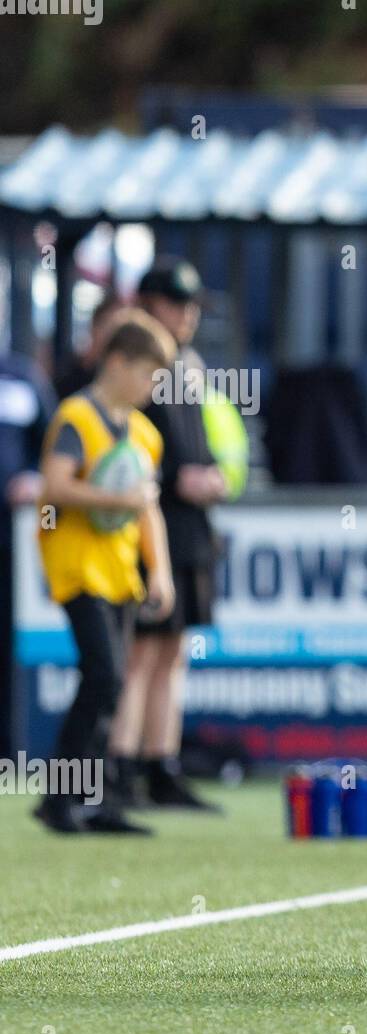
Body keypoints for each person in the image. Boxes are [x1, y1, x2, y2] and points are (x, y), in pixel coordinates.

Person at [32, 312, 175, 834]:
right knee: (105, 674)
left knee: (114, 684)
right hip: (77, 566)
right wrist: (118, 497)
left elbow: (148, 508)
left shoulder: (142, 434)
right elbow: (54, 487)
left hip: (119, 572)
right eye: (148, 374)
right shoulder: (77, 417)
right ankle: (61, 797)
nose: (153, 387)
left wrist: (160, 572)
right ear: (116, 363)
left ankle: (96, 797)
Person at [108, 257, 225, 811]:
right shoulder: (135, 363)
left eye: (192, 305)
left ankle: (161, 763)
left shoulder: (188, 365)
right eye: (177, 303)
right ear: (147, 304)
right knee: (142, 650)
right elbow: (120, 447)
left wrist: (211, 476)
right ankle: (121, 766)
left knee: (172, 650)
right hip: (150, 523)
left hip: (189, 526)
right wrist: (179, 478)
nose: (187, 315)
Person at [1, 351, 55, 755]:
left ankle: (6, 750)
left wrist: (36, 478)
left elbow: (54, 448)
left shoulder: (23, 375)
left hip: (9, 544)